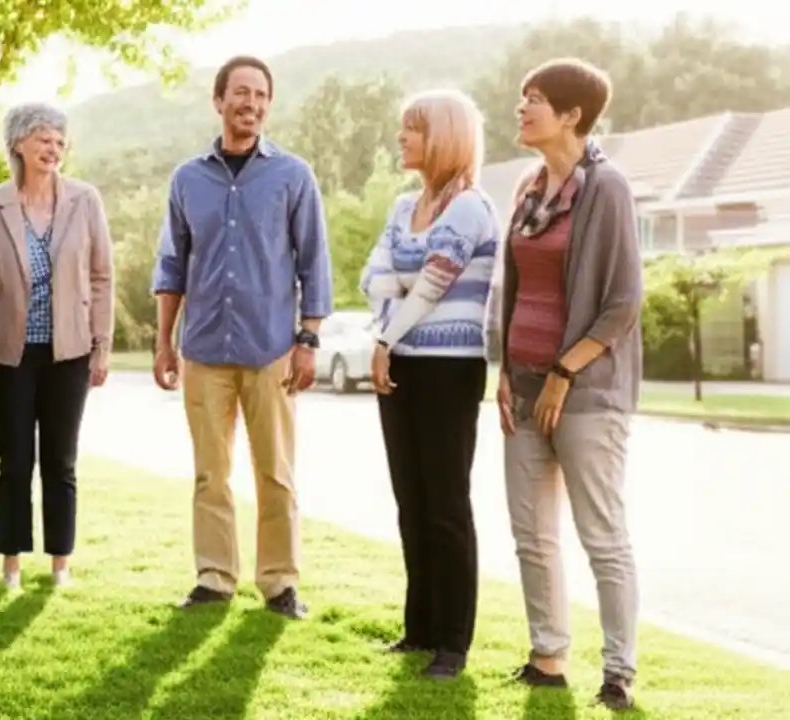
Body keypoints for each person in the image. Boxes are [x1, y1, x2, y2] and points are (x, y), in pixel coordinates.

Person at [151, 55, 332, 620]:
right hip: (203, 349)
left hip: (271, 349)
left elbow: (314, 263)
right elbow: (171, 267)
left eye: (260, 95)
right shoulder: (188, 178)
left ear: (267, 106)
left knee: (275, 473)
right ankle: (214, 577)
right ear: (219, 100)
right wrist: (163, 341)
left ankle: (279, 583)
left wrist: (308, 339)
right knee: (210, 473)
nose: (250, 104)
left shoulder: (292, 176)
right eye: (241, 93)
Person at [497, 57, 642, 711]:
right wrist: (505, 370)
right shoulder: (529, 189)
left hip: (585, 393)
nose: (521, 109)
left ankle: (618, 671)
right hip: (522, 386)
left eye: (533, 100)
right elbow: (515, 289)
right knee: (533, 535)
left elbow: (623, 304)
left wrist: (563, 372)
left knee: (600, 535)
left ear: (571, 114)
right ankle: (547, 657)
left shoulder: (606, 188)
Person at [360, 89, 499, 680]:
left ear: (441, 136)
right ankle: (419, 629)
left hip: (448, 368)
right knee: (410, 501)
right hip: (404, 362)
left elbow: (432, 284)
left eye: (412, 130)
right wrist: (392, 335)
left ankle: (452, 642)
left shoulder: (469, 208)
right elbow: (374, 275)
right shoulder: (401, 206)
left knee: (445, 505)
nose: (401, 139)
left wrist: (386, 338)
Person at [0, 102, 114, 589]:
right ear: (18, 144)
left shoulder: (85, 199)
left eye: (58, 141)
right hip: (10, 353)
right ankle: (10, 562)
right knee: (14, 460)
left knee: (61, 460)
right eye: (42, 139)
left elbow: (101, 276)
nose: (53, 149)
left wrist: (102, 344)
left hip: (69, 351)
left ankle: (60, 564)